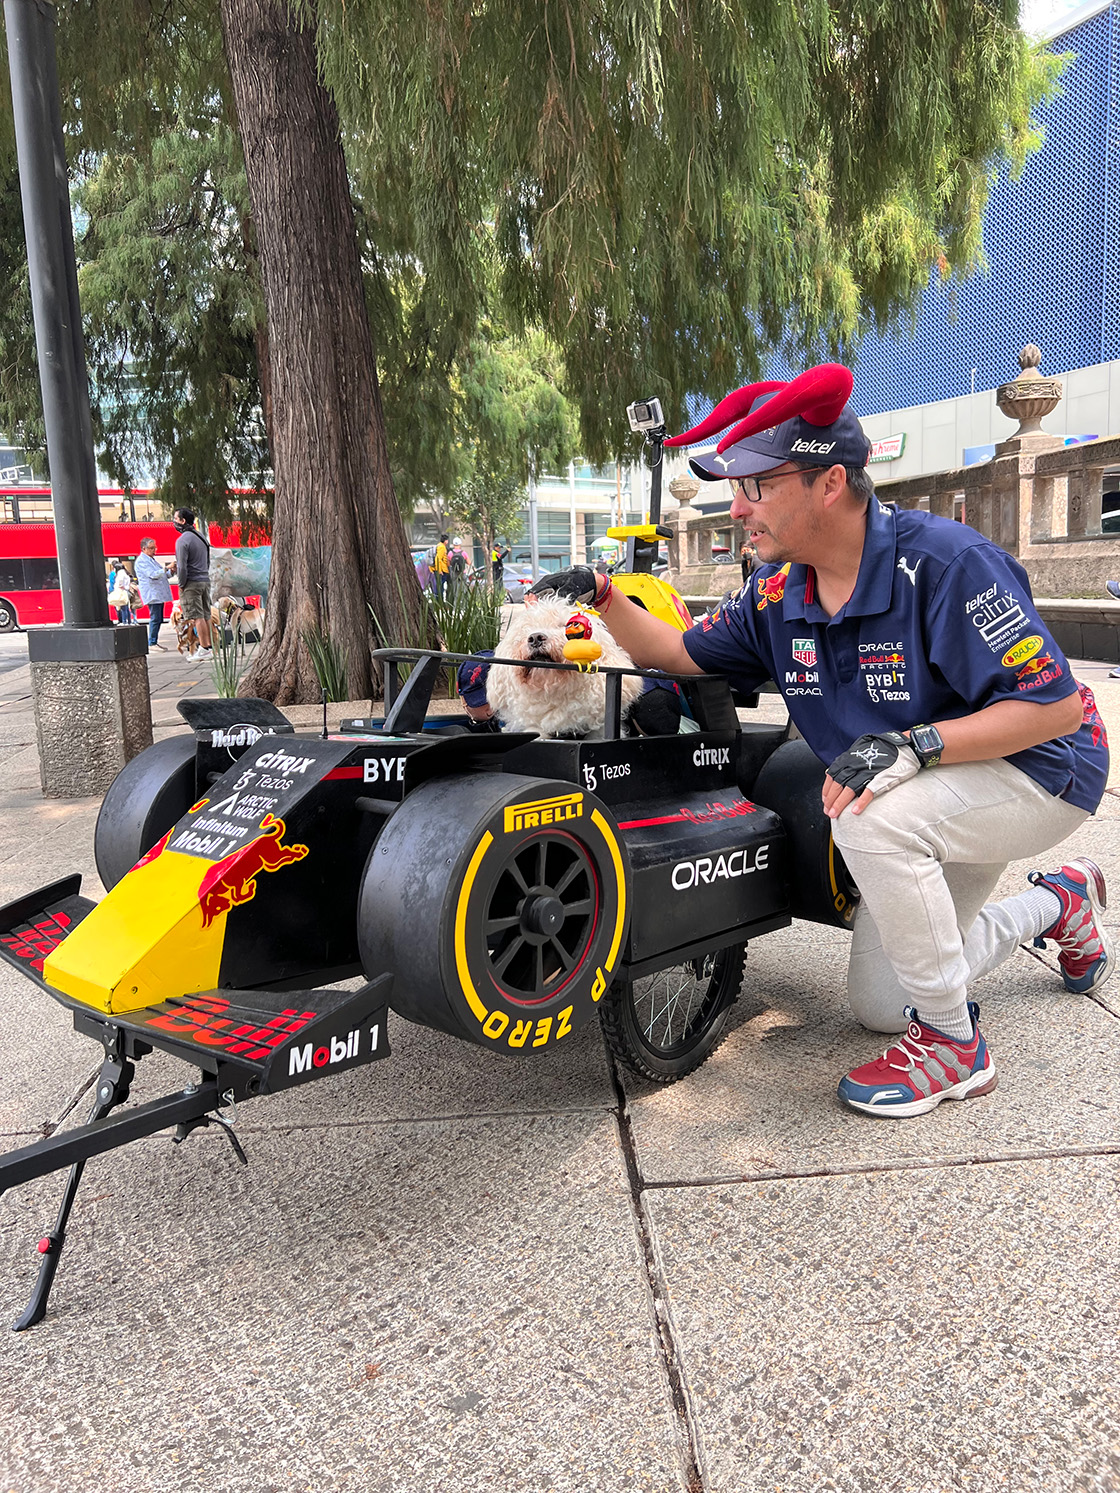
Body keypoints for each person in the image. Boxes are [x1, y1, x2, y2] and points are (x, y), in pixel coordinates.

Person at [529, 362, 1111, 1120]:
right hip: (940, 783)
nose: (736, 508)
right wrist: (603, 599)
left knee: (869, 812)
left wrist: (910, 746)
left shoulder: (944, 565)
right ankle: (1058, 903)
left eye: (756, 487)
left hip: (1042, 772)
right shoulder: (778, 593)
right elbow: (676, 654)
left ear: (829, 483)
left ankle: (953, 1047)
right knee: (881, 1000)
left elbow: (1056, 709)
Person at [172, 507, 213, 660]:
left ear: (182, 521)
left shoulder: (182, 540)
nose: (174, 522)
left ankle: (204, 647)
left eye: (176, 519)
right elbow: (207, 561)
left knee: (196, 617)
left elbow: (182, 566)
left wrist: (181, 583)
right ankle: (209, 646)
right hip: (204, 580)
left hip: (191, 583)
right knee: (206, 614)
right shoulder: (201, 537)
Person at [134, 536, 173, 651]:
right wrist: (166, 568)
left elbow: (162, 575)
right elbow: (153, 574)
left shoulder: (151, 560)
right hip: (152, 594)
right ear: (143, 549)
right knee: (155, 617)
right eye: (151, 548)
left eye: (154, 548)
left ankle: (154, 641)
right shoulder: (141, 561)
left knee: (158, 618)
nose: (154, 550)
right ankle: (152, 642)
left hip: (157, 593)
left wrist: (171, 571)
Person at [432, 533, 451, 600]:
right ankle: (439, 601)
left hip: (442, 569)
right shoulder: (442, 547)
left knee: (440, 586)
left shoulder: (439, 546)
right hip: (442, 570)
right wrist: (439, 570)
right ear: (445, 541)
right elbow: (438, 558)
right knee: (440, 587)